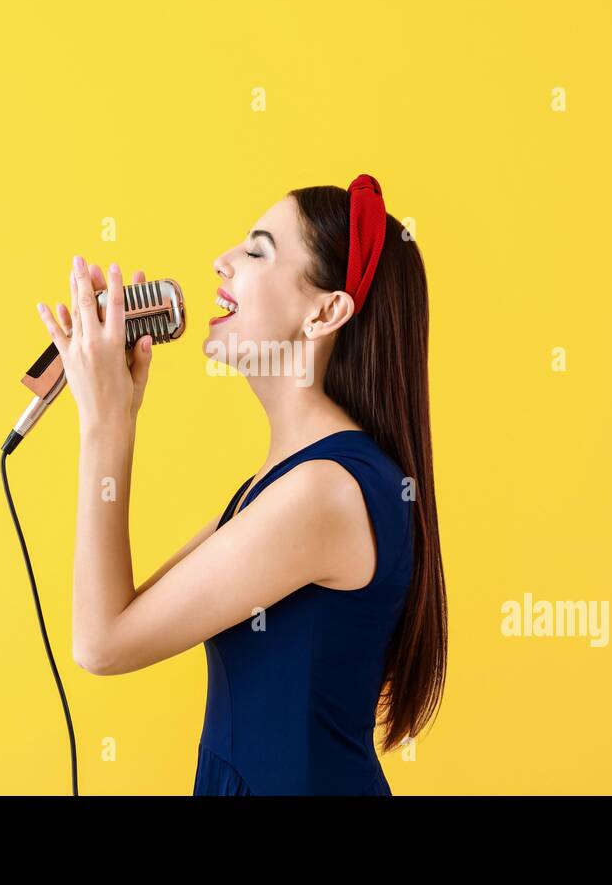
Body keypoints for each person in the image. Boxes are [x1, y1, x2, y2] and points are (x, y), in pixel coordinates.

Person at [36, 174, 447, 795]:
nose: (221, 262)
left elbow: (102, 644)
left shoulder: (324, 494)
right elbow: (118, 616)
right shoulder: (283, 487)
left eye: (256, 251)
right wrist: (116, 413)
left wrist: (104, 426)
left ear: (326, 310)